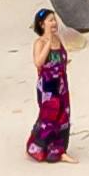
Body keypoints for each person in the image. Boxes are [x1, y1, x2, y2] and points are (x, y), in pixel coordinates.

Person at [24, 10, 72, 164]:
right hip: (47, 86)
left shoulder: (58, 39)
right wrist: (48, 42)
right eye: (50, 20)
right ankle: (38, 147)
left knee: (63, 116)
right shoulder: (39, 43)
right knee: (49, 117)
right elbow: (38, 62)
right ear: (42, 24)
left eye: (54, 20)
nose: (54, 23)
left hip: (61, 84)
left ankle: (58, 151)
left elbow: (61, 58)